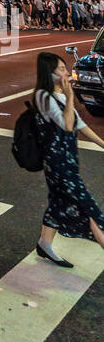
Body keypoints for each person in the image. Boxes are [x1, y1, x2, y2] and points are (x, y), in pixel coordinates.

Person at [33, 52, 104, 267]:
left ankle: (45, 244)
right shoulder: (43, 97)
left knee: (58, 202)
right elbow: (67, 125)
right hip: (57, 163)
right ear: (50, 73)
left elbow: (80, 124)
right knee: (88, 208)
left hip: (68, 159)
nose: (67, 72)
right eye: (61, 69)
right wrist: (70, 96)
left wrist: (103, 144)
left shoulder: (60, 94)